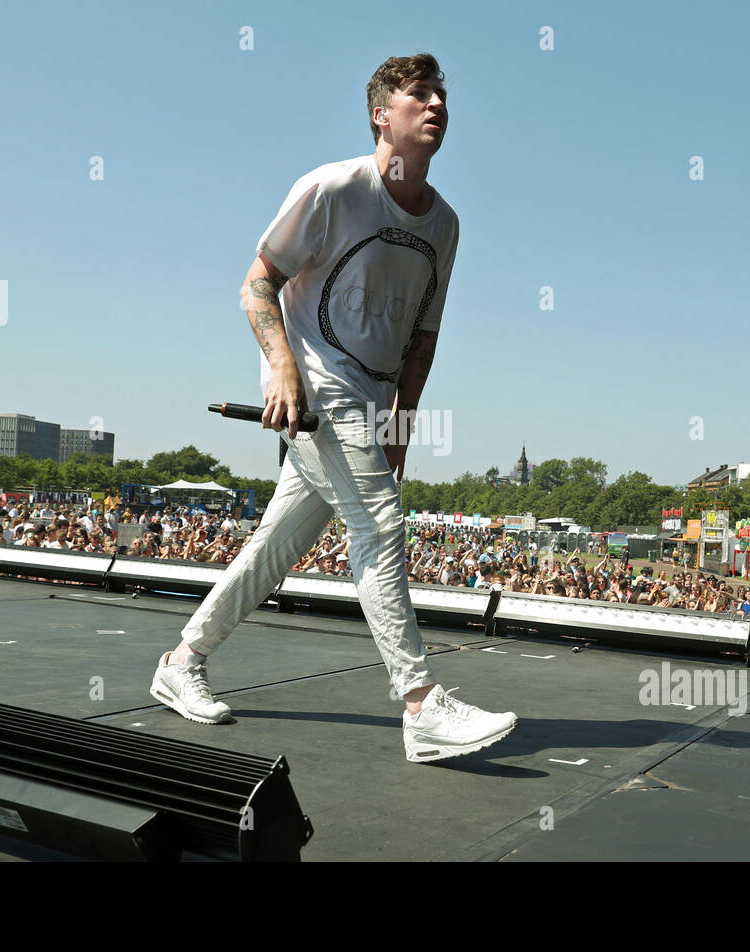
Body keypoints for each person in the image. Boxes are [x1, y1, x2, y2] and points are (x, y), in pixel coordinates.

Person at [151, 53, 516, 763]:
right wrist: (283, 372)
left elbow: (423, 335)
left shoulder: (446, 224)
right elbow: (258, 282)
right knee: (380, 525)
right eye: (419, 95)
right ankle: (421, 706)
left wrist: (402, 423)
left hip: (373, 399)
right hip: (320, 390)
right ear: (384, 113)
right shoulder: (332, 188)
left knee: (277, 546)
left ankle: (180, 663)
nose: (437, 104)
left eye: (441, 94)